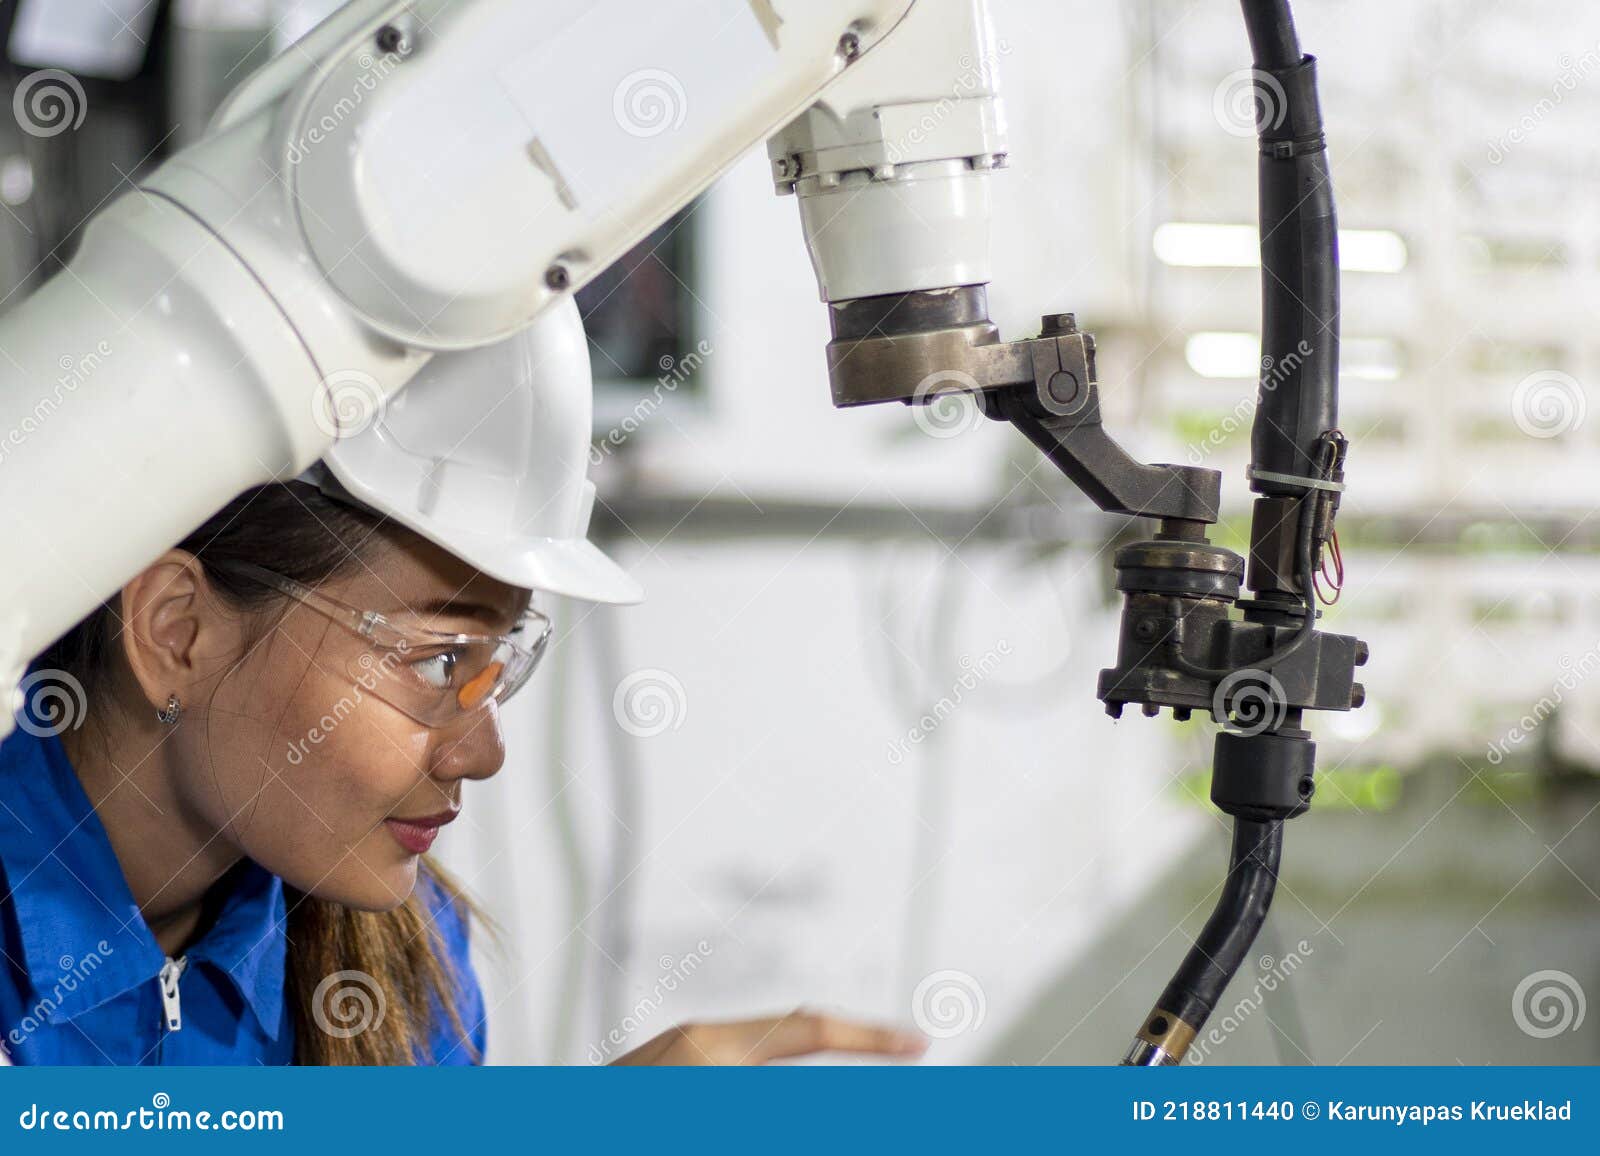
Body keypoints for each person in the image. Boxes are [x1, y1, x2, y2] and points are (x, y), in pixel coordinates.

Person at [0, 303, 926, 1066]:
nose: (480, 753)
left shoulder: (400, 964)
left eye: (500, 662)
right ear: (179, 631)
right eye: (439, 660)